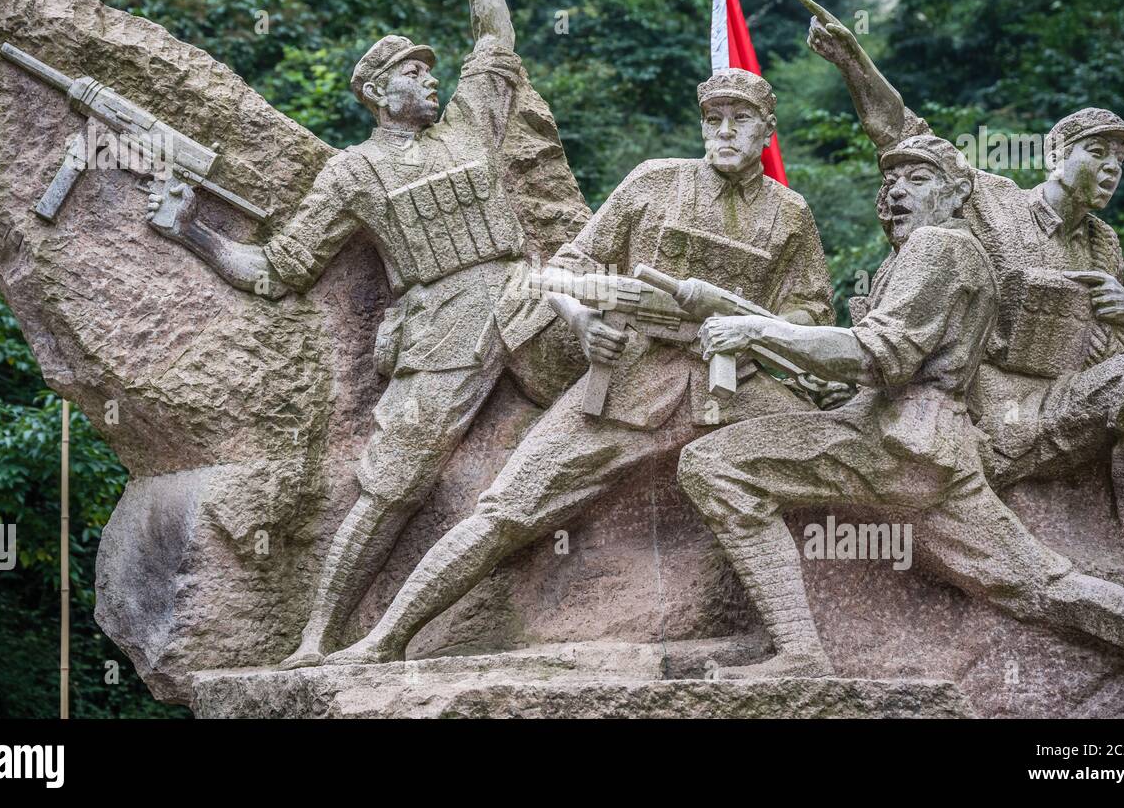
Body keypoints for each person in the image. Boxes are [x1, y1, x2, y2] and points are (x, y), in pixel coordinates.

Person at [146, 0, 573, 669]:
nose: (428, 77)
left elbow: (496, 43)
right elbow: (278, 269)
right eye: (412, 71)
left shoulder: (471, 121)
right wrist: (192, 234)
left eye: (427, 68)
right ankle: (318, 638)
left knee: (630, 357)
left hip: (526, 297)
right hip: (441, 329)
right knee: (389, 489)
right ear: (378, 91)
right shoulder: (352, 174)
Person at [676, 135, 1124, 707]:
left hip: (890, 445)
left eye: (919, 179)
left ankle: (801, 655)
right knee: (1048, 587)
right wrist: (779, 345)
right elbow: (870, 362)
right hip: (940, 458)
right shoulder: (928, 254)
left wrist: (758, 332)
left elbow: (878, 356)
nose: (897, 192)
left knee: (711, 465)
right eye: (891, 182)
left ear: (959, 193)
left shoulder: (939, 247)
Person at [324, 67, 836, 665]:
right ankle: (383, 640)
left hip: (732, 385)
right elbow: (566, 268)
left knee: (844, 452)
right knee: (506, 509)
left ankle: (806, 651)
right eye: (712, 120)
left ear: (766, 131)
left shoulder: (790, 214)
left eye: (739, 120)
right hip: (629, 383)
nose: (724, 133)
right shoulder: (654, 183)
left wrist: (753, 333)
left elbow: (809, 311)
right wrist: (584, 322)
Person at [801, 0, 1124, 562]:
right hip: (988, 404)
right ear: (1056, 153)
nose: (1110, 169)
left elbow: (1112, 355)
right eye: (1096, 152)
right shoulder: (993, 201)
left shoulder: (1105, 245)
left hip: (1065, 401)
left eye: (1119, 162)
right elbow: (906, 136)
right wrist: (855, 63)